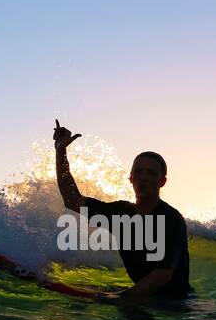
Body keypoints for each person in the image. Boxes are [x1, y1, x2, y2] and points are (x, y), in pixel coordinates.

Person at [53, 119, 191, 299]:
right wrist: (60, 150)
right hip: (140, 296)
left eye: (151, 173)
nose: (144, 177)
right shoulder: (120, 213)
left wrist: (119, 298)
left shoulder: (170, 218)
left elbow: (163, 274)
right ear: (131, 178)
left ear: (162, 181)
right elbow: (73, 200)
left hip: (175, 305)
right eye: (139, 172)